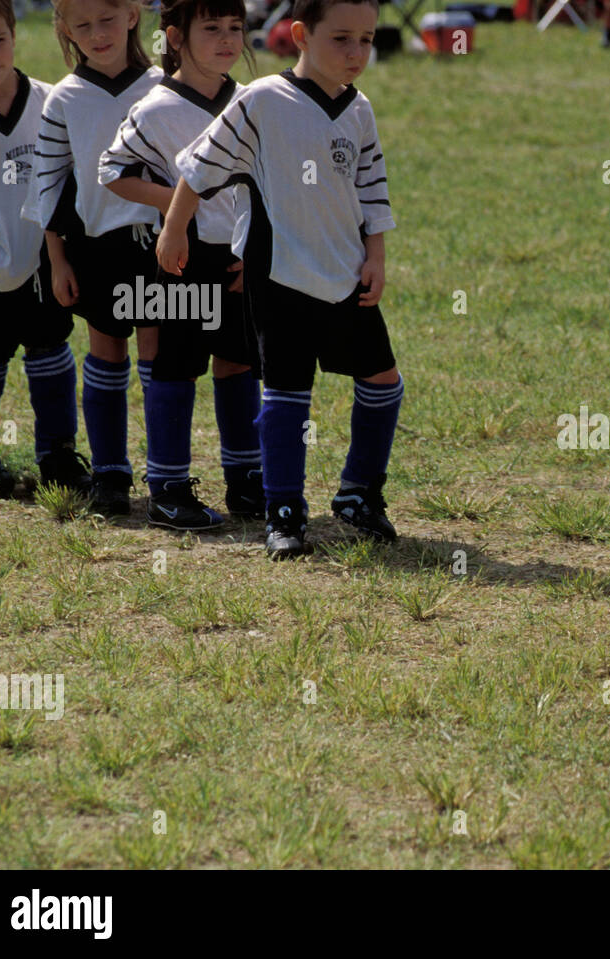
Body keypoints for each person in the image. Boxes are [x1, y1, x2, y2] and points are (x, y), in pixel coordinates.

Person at [158, 0, 402, 559]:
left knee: (383, 382)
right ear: (300, 35)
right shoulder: (264, 99)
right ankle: (284, 512)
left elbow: (373, 191)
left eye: (366, 40)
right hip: (279, 276)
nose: (356, 52)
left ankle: (360, 494)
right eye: (341, 39)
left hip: (345, 274)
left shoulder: (359, 109)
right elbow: (198, 166)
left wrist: (376, 257)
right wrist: (175, 230)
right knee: (287, 393)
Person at [98, 0, 263, 530]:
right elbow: (112, 171)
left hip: (237, 259)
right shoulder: (156, 107)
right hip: (179, 257)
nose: (226, 40)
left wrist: (254, 244)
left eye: (235, 28)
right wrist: (176, 201)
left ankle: (246, 481)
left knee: (239, 362)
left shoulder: (251, 101)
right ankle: (168, 489)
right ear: (174, 37)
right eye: (211, 28)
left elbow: (267, 182)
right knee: (176, 365)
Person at [23, 0, 162, 515]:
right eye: (82, 25)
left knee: (157, 357)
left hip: (156, 246)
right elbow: (48, 186)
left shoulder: (163, 87)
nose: (97, 33)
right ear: (65, 30)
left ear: (132, 16)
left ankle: (166, 473)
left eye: (107, 19)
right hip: (94, 248)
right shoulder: (63, 99)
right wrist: (57, 262)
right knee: (106, 355)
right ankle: (110, 476)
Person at [0, 0, 90, 498]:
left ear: (14, 35)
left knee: (50, 344)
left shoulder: (50, 101)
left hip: (44, 253)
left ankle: (57, 454)